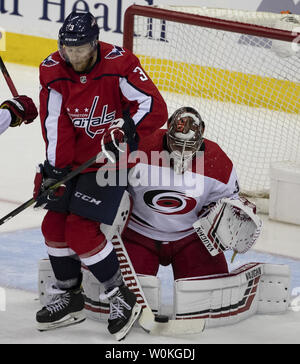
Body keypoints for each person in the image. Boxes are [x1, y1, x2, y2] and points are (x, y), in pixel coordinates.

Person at [33, 11, 167, 340]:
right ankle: (70, 297)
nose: (72, 56)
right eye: (67, 49)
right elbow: (55, 123)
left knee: (80, 231)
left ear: (94, 45)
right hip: (74, 161)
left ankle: (121, 295)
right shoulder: (53, 70)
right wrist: (54, 170)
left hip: (112, 160)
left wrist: (127, 130)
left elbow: (153, 105)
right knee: (52, 225)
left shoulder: (119, 64)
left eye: (79, 49)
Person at [122, 106, 253, 280]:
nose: (181, 152)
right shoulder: (139, 146)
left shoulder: (218, 162)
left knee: (209, 295)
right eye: (176, 143)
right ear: (167, 129)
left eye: (189, 146)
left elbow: (225, 204)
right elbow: (111, 189)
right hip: (137, 233)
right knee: (124, 292)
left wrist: (237, 212)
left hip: (191, 236)